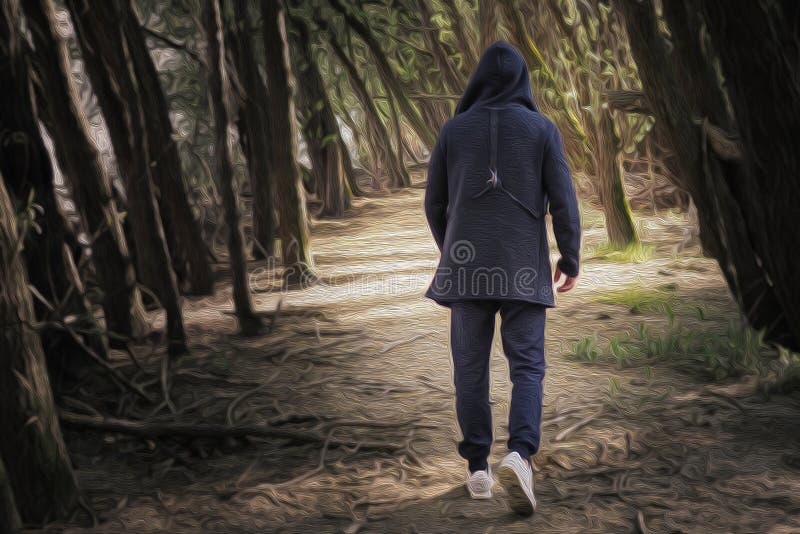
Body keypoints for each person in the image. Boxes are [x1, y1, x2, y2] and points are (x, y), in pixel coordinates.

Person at [424, 41, 581, 515]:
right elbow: (564, 201)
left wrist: (453, 250)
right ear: (522, 81)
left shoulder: (453, 131)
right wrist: (569, 258)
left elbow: (434, 203)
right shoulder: (542, 130)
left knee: (469, 367)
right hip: (523, 268)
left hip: (466, 270)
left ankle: (477, 468)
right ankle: (521, 455)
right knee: (527, 365)